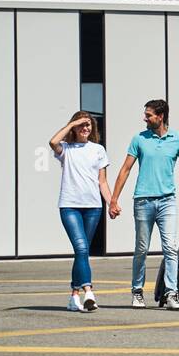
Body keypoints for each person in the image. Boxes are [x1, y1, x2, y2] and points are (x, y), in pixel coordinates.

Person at [109, 99, 179, 311]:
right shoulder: (139, 139)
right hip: (143, 201)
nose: (144, 118)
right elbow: (125, 169)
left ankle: (171, 294)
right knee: (141, 248)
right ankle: (137, 291)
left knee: (170, 248)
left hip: (167, 201)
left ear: (161, 116)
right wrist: (114, 200)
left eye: (148, 115)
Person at [49, 111, 111, 312]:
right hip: (70, 206)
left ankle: (73, 296)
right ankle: (89, 292)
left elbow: (102, 181)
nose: (86, 129)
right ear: (74, 127)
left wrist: (112, 203)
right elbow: (52, 141)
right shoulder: (66, 149)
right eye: (82, 125)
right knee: (82, 249)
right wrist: (73, 122)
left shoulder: (98, 150)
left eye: (89, 125)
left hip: (93, 207)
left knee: (81, 252)